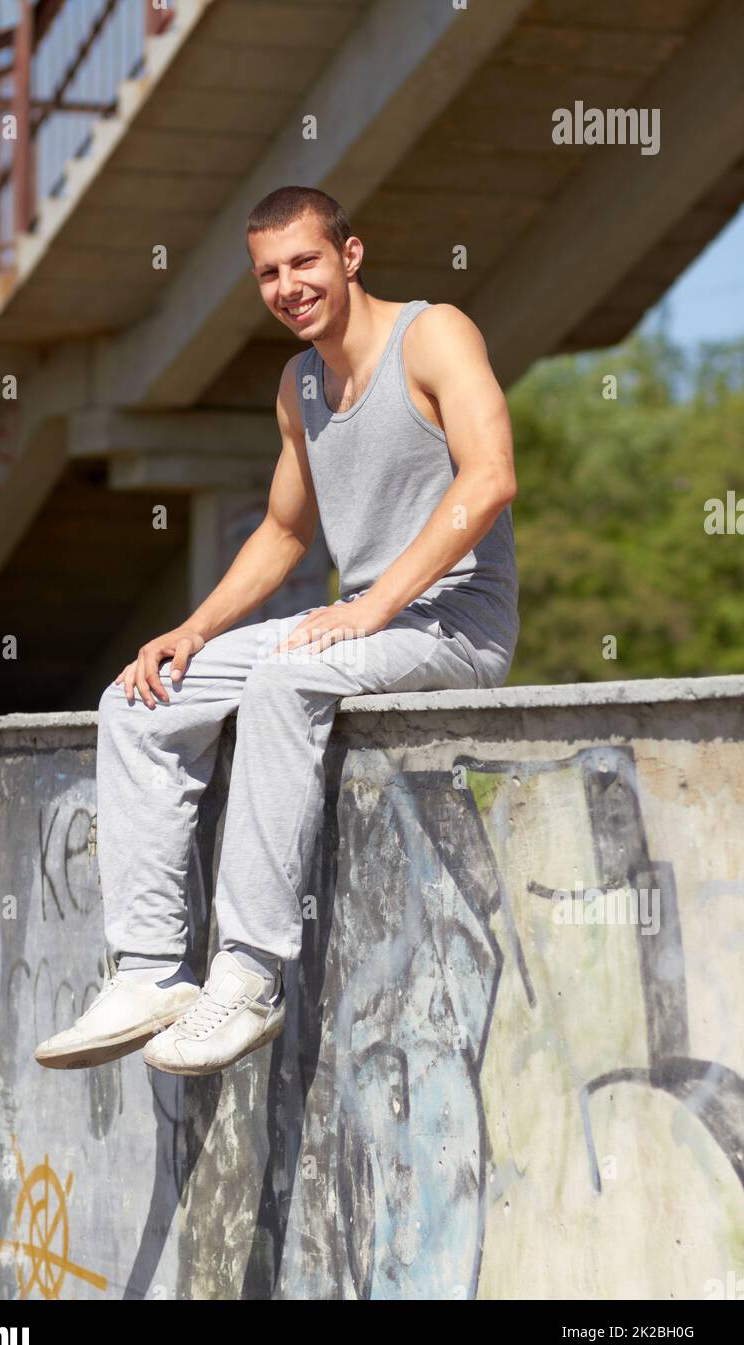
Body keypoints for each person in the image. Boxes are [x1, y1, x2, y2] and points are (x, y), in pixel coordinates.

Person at [35, 185, 519, 1078]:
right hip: (360, 627)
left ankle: (247, 976)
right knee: (140, 698)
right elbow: (285, 532)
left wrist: (373, 607)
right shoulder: (299, 386)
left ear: (350, 255)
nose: (289, 284)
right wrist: (192, 628)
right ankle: (149, 973)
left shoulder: (433, 332)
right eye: (269, 272)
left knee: (284, 680)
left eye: (305, 262)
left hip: (452, 625)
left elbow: (489, 479)